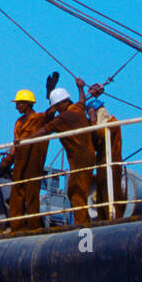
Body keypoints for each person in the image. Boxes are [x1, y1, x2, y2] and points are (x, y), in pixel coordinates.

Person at [31, 79, 95, 226]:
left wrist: (24, 140)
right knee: (80, 189)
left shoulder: (62, 118)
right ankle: (83, 220)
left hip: (79, 159)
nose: (56, 110)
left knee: (76, 191)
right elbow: (82, 101)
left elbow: (44, 130)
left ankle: (82, 224)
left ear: (61, 104)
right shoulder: (77, 109)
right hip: (89, 156)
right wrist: (80, 87)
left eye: (57, 107)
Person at [0, 89, 51, 233]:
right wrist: (6, 162)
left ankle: (34, 227)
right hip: (19, 164)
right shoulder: (18, 123)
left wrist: (50, 92)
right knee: (16, 197)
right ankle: (17, 227)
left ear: (27, 104)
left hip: (33, 164)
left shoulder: (39, 119)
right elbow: (15, 144)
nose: (16, 106)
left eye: (19, 103)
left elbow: (51, 113)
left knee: (32, 196)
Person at [86, 82, 125, 220]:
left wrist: (92, 120)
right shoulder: (107, 122)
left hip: (111, 163)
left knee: (111, 193)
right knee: (102, 193)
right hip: (103, 163)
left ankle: (114, 217)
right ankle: (103, 218)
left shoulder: (110, 123)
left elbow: (99, 136)